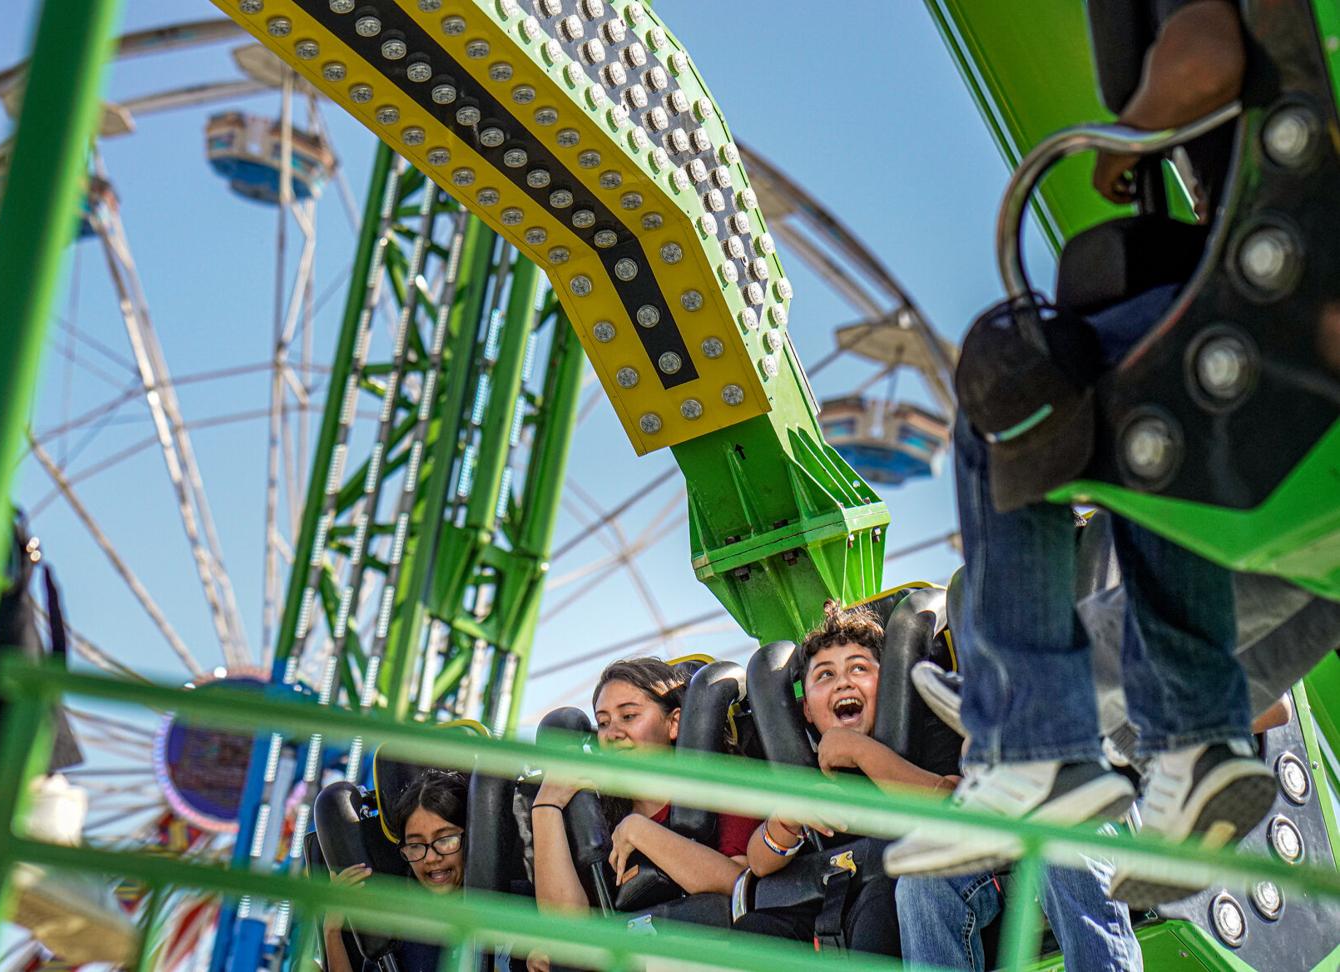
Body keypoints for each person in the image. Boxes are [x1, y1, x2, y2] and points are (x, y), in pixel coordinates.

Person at [886, 0, 1276, 910]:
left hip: (1293, 316)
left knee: (1013, 395)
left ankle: (1034, 746)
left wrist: (1131, 135)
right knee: (1155, 427)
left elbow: (1208, 52)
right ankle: (1195, 743)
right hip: (1271, 326)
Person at [736, 602, 961, 958]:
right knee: (752, 934)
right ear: (807, 709)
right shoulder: (802, 764)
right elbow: (759, 862)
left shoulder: (926, 733)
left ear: (887, 687)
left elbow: (955, 803)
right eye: (825, 675)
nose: (843, 682)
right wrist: (787, 820)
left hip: (895, 898)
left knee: (881, 906)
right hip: (826, 905)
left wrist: (862, 752)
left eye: (859, 668)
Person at [527, 657, 758, 970]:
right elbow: (566, 933)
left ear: (674, 723)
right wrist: (546, 808)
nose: (613, 733)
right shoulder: (598, 822)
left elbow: (741, 887)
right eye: (603, 723)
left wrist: (641, 831)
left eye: (628, 716)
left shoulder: (723, 788)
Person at [323, 769, 497, 972]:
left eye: (445, 840)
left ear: (472, 837)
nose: (431, 858)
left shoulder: (512, 902)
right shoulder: (397, 933)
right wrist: (331, 931)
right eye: (415, 846)